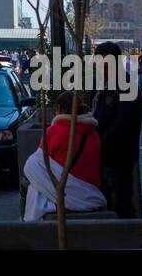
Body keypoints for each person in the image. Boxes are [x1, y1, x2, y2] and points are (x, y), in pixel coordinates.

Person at [22, 92, 106, 221]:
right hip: (92, 193)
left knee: (33, 173)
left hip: (66, 196)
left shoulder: (54, 132)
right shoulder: (94, 135)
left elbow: (35, 166)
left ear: (59, 109)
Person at [92, 42, 142, 218]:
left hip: (118, 157)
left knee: (121, 205)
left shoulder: (126, 87)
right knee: (107, 204)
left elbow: (122, 126)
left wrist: (98, 143)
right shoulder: (102, 85)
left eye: (103, 65)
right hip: (103, 157)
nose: (99, 69)